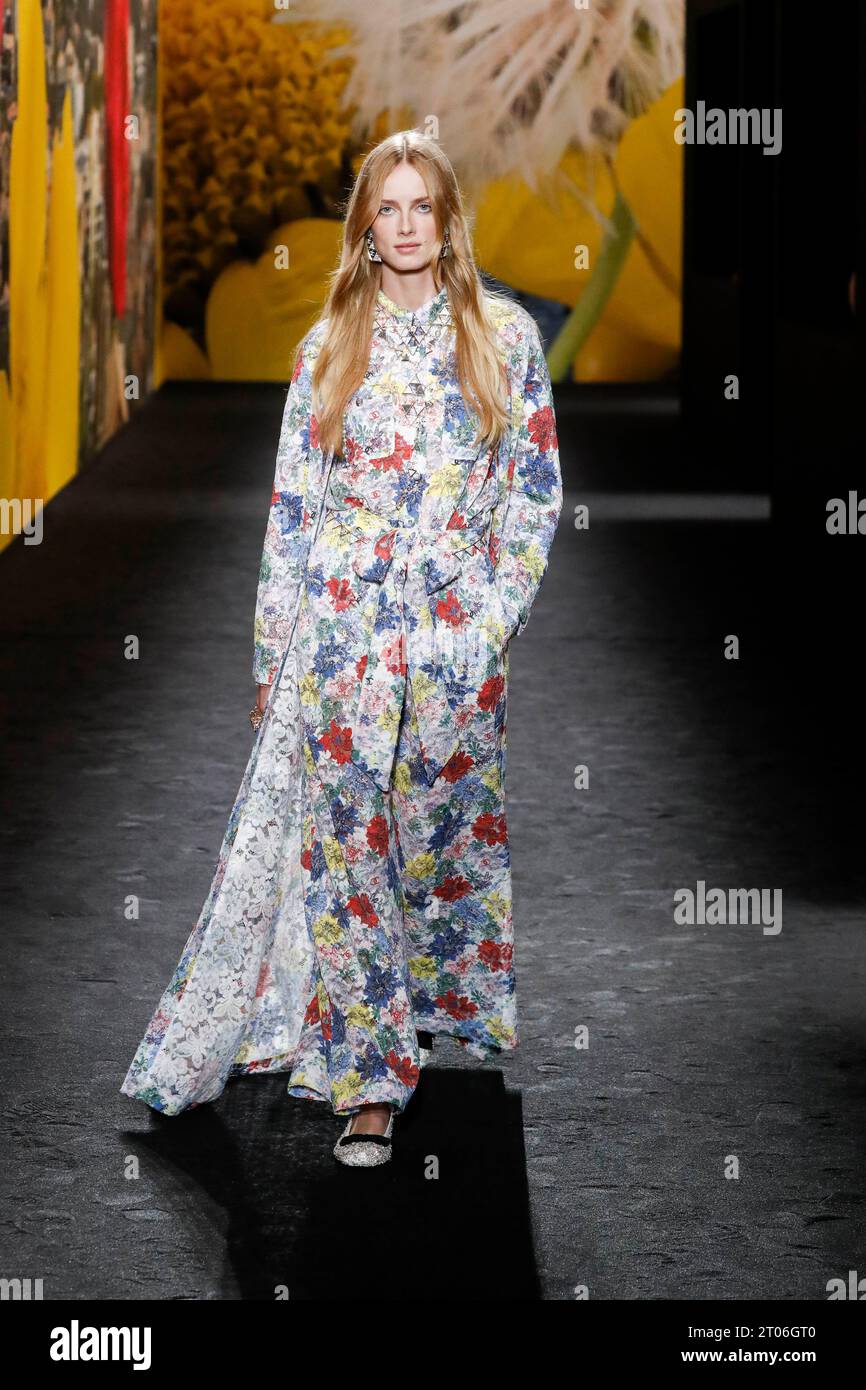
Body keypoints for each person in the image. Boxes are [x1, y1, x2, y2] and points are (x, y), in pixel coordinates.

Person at [120, 130, 562, 1169]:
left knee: (433, 839)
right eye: (387, 208)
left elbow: (533, 499)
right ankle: (367, 1083)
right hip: (343, 637)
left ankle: (417, 1014)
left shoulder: (503, 337)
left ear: (447, 220)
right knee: (350, 852)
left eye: (423, 208)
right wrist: (276, 650)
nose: (405, 226)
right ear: (362, 225)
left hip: (452, 644)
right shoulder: (328, 347)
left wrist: (486, 625)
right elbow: (291, 511)